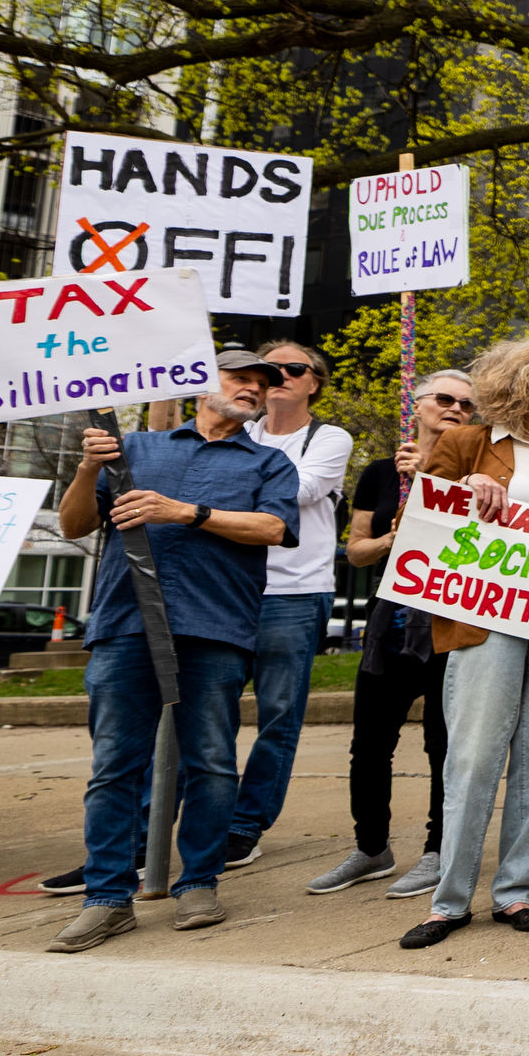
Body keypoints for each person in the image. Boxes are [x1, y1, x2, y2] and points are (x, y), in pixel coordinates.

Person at [44, 352, 301, 952]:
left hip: (217, 627)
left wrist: (184, 512)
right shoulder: (135, 447)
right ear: (200, 385)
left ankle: (199, 884)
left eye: (262, 384)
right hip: (125, 623)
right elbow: (75, 525)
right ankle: (107, 898)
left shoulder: (269, 462)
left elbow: (273, 529)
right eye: (240, 378)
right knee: (114, 766)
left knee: (211, 762)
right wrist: (88, 468)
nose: (254, 388)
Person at [398, 331, 529, 948]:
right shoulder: (466, 443)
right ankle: (449, 901)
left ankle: (516, 891)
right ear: (523, 387)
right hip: (485, 614)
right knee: (474, 754)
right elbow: (414, 521)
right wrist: (464, 492)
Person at [305, 370, 472, 898]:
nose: (456, 408)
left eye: (467, 404)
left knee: (444, 745)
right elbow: (356, 551)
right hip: (391, 623)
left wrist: (433, 483)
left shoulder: (480, 469)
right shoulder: (382, 473)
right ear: (416, 405)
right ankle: (371, 847)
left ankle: (439, 851)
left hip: (451, 624)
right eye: (445, 399)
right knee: (370, 744)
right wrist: (391, 540)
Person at [221, 339, 354, 871]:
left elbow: (297, 492)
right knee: (208, 713)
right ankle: (201, 815)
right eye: (267, 369)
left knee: (277, 715)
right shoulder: (238, 429)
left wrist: (225, 478)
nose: (278, 377)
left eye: (293, 369)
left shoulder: (329, 438)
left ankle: (245, 824)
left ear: (314, 382)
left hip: (295, 593)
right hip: (229, 590)